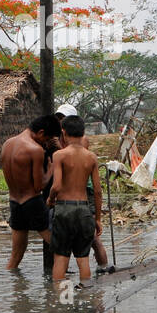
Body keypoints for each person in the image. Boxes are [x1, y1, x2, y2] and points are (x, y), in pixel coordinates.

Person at [52, 103, 110, 270]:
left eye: (63, 119)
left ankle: (103, 267)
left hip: (84, 193)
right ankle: (84, 290)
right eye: (59, 118)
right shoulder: (62, 140)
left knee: (91, 238)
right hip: (74, 198)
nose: (60, 122)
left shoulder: (78, 142)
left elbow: (74, 158)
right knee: (81, 252)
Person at [1, 115, 61, 272]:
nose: (46, 143)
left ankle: (16, 290)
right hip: (32, 201)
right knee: (58, 246)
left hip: (14, 201)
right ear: (41, 132)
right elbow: (38, 186)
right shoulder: (35, 150)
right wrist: (51, 169)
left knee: (15, 255)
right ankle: (60, 286)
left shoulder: (7, 144)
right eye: (47, 139)